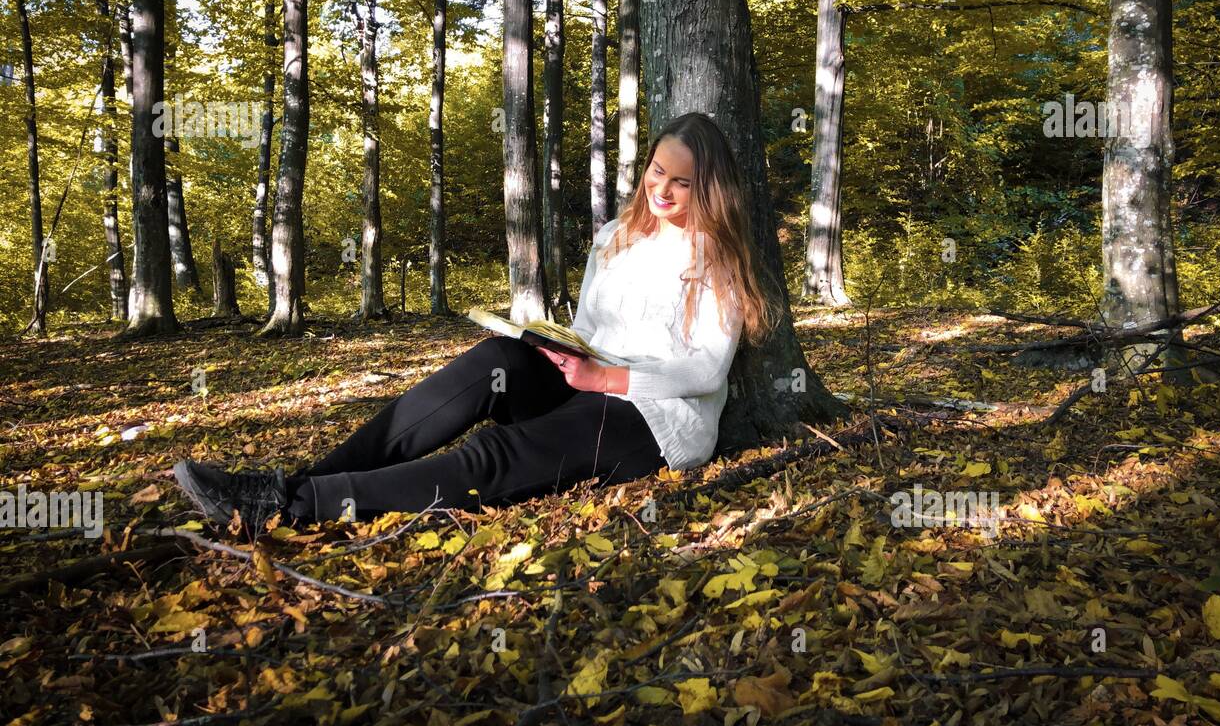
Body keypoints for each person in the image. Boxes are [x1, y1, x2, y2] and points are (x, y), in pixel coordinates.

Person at [172, 112, 779, 530]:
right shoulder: (614, 237)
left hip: (652, 420)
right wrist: (559, 352)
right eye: (656, 171)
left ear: (710, 188)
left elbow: (705, 369)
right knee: (494, 364)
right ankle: (293, 483)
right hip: (585, 382)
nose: (663, 190)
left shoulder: (717, 256)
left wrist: (608, 381)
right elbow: (591, 327)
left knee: (496, 454)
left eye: (682, 182)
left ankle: (294, 506)